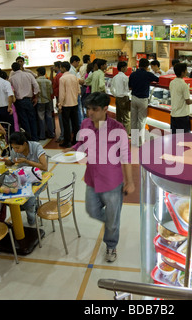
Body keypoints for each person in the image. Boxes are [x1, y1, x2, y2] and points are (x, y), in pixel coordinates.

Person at [64, 92, 135, 262]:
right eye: (88, 108)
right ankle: (113, 223)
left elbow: (126, 157)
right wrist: (73, 149)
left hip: (112, 182)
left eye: (94, 109)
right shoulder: (85, 124)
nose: (90, 112)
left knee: (111, 220)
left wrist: (130, 182)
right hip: (92, 178)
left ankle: (111, 245)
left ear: (105, 109)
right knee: (92, 210)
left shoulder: (117, 129)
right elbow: (82, 143)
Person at [0, 131, 47, 225]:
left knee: (29, 200)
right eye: (13, 148)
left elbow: (44, 167)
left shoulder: (36, 146)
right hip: (21, 178)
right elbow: (11, 162)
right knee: (5, 198)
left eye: (17, 148)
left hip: (38, 178)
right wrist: (4, 160)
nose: (15, 150)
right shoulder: (15, 150)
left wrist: (26, 161)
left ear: (24, 144)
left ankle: (32, 220)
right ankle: (32, 205)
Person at [128, 58, 159, 146]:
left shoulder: (133, 74)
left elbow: (130, 87)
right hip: (143, 100)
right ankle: (140, 142)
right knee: (141, 121)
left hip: (133, 98)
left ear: (139, 65)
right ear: (147, 66)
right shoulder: (148, 74)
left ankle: (133, 141)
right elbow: (158, 80)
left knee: (133, 120)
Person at [9, 62, 40, 141]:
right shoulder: (28, 75)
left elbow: (11, 91)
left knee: (24, 121)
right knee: (32, 119)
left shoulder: (11, 79)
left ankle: (28, 139)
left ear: (12, 69)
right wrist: (36, 97)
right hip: (29, 100)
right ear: (20, 67)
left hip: (19, 101)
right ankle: (35, 138)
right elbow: (36, 86)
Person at [169, 63, 192, 134]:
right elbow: (188, 101)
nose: (187, 72)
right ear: (183, 72)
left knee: (174, 138)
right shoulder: (184, 85)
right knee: (183, 139)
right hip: (182, 116)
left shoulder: (172, 82)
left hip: (173, 114)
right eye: (186, 70)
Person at [58, 61, 80, 148]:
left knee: (66, 124)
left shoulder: (62, 79)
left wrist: (60, 105)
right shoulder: (74, 77)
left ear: (63, 68)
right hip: (75, 103)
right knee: (75, 123)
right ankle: (75, 140)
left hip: (66, 104)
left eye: (61, 67)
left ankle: (67, 141)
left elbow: (62, 94)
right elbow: (78, 91)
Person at [110, 61, 131, 135]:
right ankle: (126, 134)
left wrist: (116, 95)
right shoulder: (125, 77)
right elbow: (127, 89)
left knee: (118, 116)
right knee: (126, 118)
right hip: (124, 98)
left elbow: (111, 89)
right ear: (122, 68)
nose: (127, 68)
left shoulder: (115, 77)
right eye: (126, 67)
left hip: (117, 98)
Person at [35, 67, 55, 140]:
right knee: (49, 117)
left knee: (41, 118)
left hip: (40, 101)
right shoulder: (48, 81)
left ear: (39, 73)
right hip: (48, 101)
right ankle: (51, 133)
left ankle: (42, 135)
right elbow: (51, 92)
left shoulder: (36, 81)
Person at [50, 61, 65, 143]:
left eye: (54, 67)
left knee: (61, 118)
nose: (54, 68)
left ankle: (63, 136)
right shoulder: (64, 75)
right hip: (67, 100)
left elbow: (57, 88)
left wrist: (59, 101)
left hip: (60, 98)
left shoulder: (59, 76)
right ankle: (66, 134)